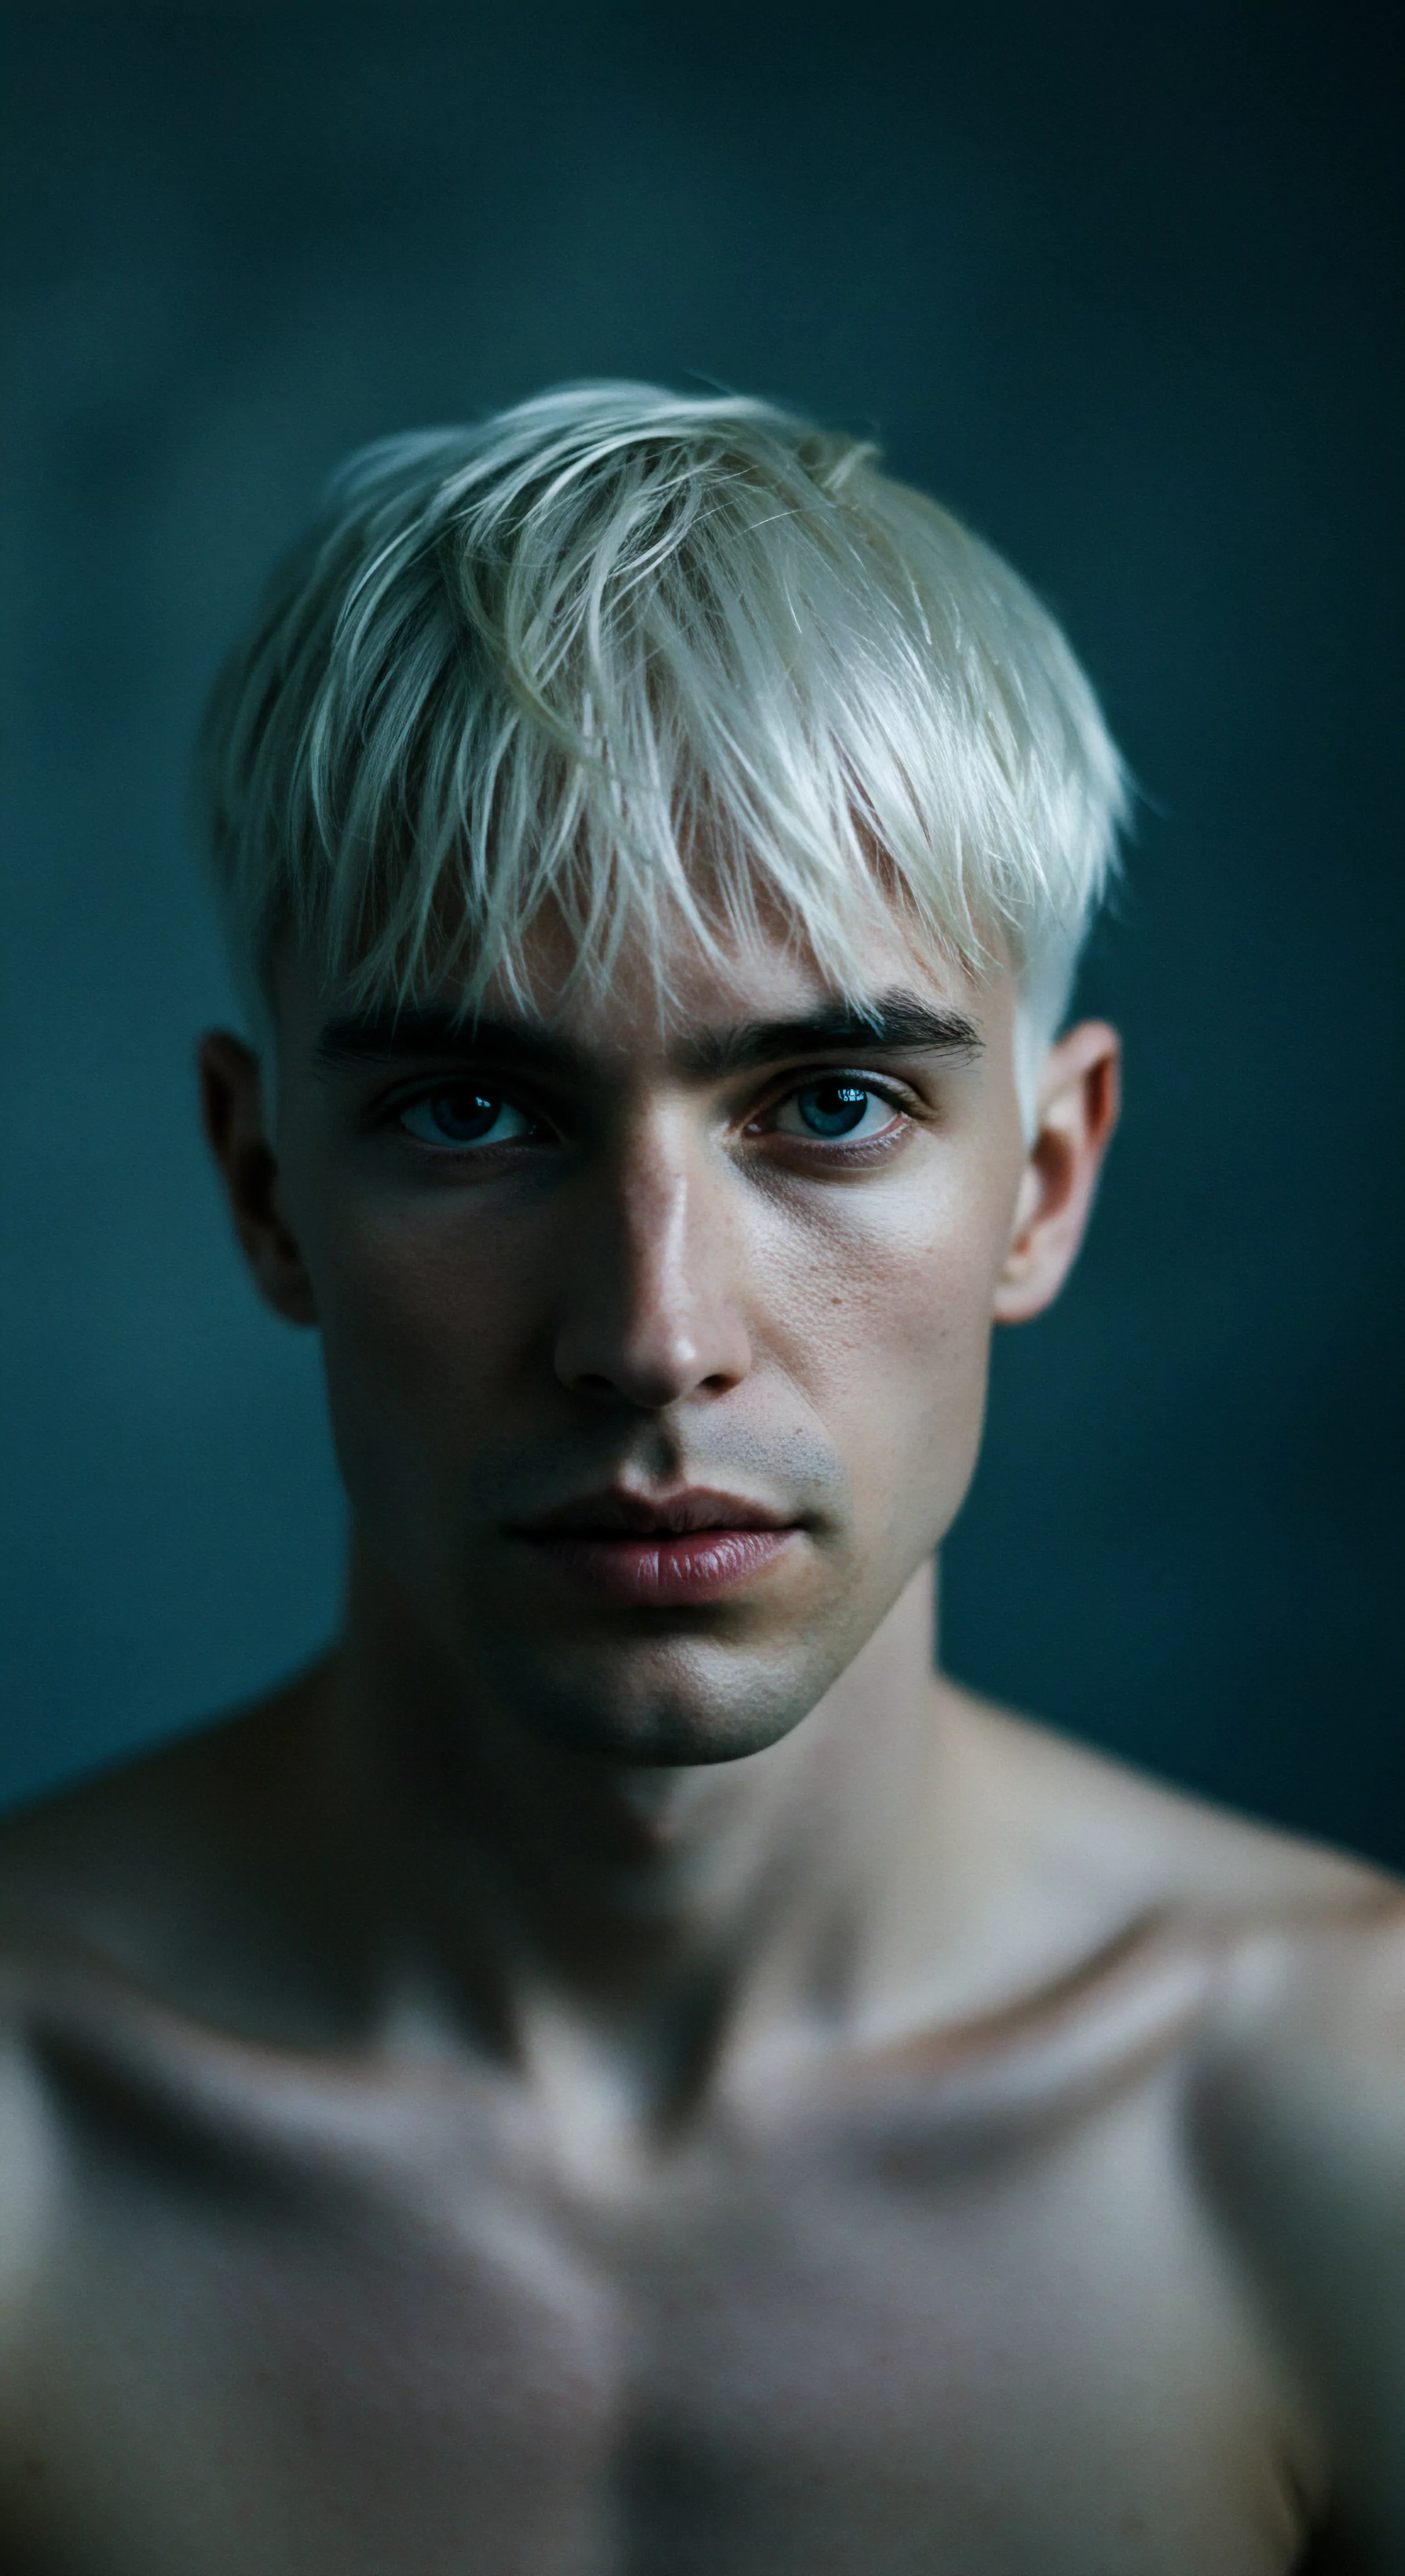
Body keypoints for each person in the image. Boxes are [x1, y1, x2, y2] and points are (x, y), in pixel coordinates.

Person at [0, 384, 1400, 2576]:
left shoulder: (1347, 2121)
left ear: (1042, 1182)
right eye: (474, 1115)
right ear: (266, 1188)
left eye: (830, 1107)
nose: (654, 1336)